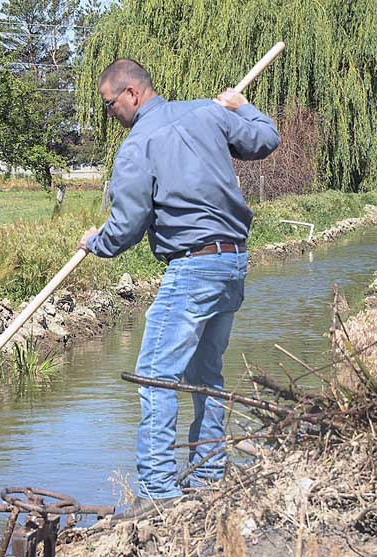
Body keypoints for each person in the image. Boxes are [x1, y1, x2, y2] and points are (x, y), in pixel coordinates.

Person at [77, 58, 279, 510]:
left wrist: (96, 243)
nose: (111, 115)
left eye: (110, 105)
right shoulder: (207, 114)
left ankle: (157, 493)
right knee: (204, 375)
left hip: (192, 269)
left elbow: (128, 225)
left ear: (131, 93)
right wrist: (244, 108)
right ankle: (208, 476)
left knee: (155, 378)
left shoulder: (138, 145)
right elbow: (266, 137)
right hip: (233, 264)